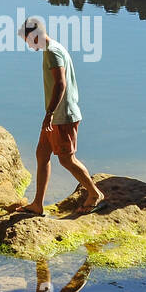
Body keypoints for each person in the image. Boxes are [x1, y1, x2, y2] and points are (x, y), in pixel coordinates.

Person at [20, 17, 104, 215]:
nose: (27, 45)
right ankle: (38, 204)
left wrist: (49, 114)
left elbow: (60, 84)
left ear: (34, 36)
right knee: (42, 154)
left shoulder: (53, 52)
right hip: (54, 116)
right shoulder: (51, 49)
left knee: (66, 159)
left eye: (27, 40)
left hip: (62, 115)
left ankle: (94, 194)